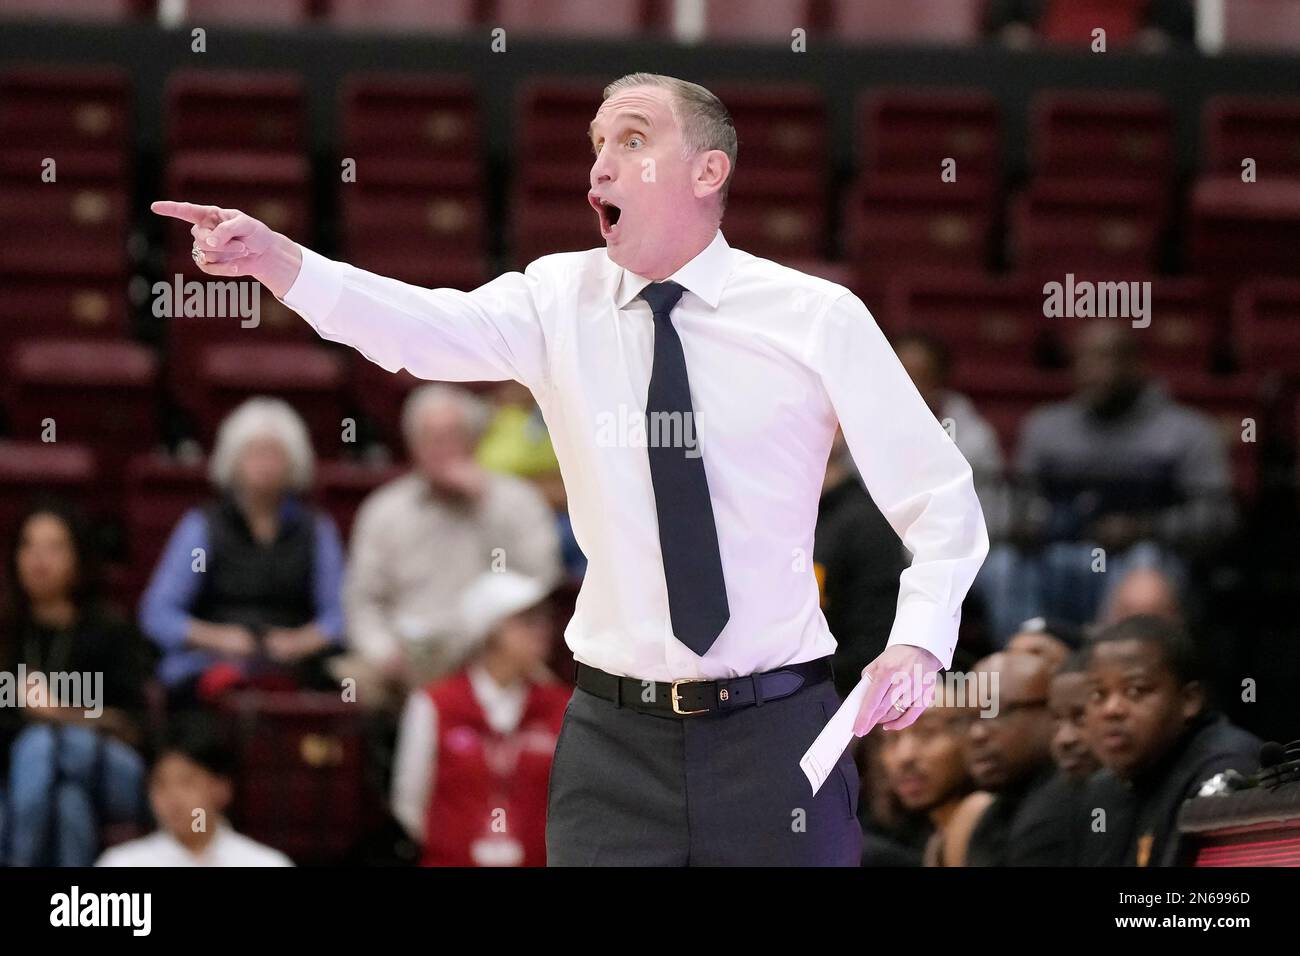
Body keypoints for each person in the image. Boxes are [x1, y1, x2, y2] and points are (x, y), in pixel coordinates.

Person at [152, 72, 989, 866]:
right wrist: (280, 263)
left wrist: (919, 641)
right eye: (596, 144)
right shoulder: (557, 300)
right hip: (613, 742)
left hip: (776, 731)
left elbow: (939, 492)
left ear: (708, 169)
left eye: (632, 138)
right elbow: (416, 329)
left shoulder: (815, 316)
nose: (601, 163)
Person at [977, 320, 1232, 643]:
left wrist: (1145, 529)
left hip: (1140, 559)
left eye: (1106, 358)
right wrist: (1027, 526)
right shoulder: (1046, 427)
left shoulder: (1187, 431)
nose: (1094, 371)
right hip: (1061, 557)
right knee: (1002, 565)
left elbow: (1218, 518)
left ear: (1137, 364)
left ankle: (1111, 675)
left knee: (1146, 566)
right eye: (1085, 360)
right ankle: (1030, 664)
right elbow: (1019, 504)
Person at [340, 384, 563, 707]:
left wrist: (487, 505)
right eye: (432, 437)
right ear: (413, 445)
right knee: (354, 684)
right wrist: (384, 651)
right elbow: (362, 600)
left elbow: (542, 578)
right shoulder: (384, 511)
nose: (443, 448)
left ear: (473, 438)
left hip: (493, 651)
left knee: (548, 691)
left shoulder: (517, 501)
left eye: (453, 435)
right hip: (407, 655)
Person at [139, 397, 346, 706]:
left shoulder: (316, 529)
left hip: (295, 670)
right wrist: (218, 638)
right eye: (254, 453)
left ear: (294, 462)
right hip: (210, 666)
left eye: (275, 453)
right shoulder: (202, 526)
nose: (264, 464)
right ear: (233, 460)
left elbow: (341, 613)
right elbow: (158, 613)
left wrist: (301, 641)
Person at [0, 501, 152, 866]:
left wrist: (58, 715)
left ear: (79, 557)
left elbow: (133, 727)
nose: (39, 559)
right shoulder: (6, 633)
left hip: (109, 770)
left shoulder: (109, 630)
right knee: (68, 805)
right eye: (29, 546)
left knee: (39, 745)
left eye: (54, 548)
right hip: (24, 779)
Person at [390, 571, 569, 866]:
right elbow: (410, 802)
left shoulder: (561, 706)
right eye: (526, 621)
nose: (542, 630)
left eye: (544, 619)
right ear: (490, 633)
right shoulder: (434, 704)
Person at [1078, 614, 1260, 866]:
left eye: (1135, 690)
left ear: (1189, 700)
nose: (1112, 709)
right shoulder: (1104, 787)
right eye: (1098, 694)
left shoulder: (1228, 771)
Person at [96, 718, 293, 866]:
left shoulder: (265, 863)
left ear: (221, 788)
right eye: (160, 784)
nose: (173, 798)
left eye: (187, 782)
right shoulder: (122, 863)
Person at [963, 652, 1073, 866]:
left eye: (996, 712)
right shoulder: (993, 816)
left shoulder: (1066, 805)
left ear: (1053, 710)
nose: (977, 734)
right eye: (968, 718)